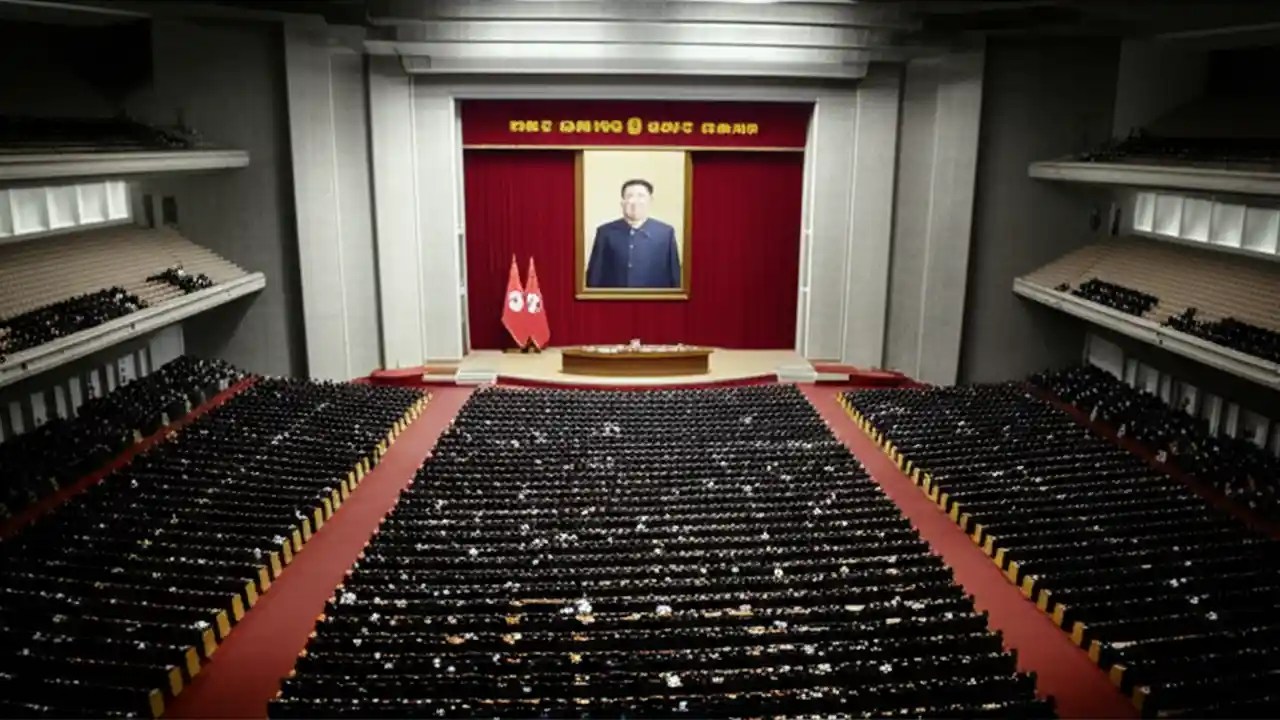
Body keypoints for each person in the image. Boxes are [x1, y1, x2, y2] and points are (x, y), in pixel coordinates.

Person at [586, 179, 681, 289]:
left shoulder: (666, 233)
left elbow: (675, 276)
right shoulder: (605, 232)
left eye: (641, 196)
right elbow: (594, 276)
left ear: (650, 200)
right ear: (622, 202)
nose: (635, 201)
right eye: (630, 196)